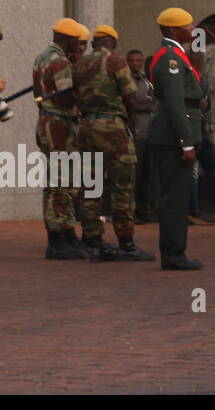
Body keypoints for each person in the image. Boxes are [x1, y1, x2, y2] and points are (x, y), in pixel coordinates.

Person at [73, 26, 154, 261]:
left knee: (91, 187)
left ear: (93, 44)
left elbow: (76, 96)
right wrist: (125, 120)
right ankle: (126, 243)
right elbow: (130, 96)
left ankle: (93, 240)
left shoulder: (80, 65)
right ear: (113, 43)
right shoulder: (116, 62)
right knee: (123, 186)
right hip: (113, 128)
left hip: (86, 128)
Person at [147, 8, 204, 270]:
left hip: (175, 134)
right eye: (187, 26)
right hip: (173, 137)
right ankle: (173, 254)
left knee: (177, 197)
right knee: (175, 199)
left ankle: (175, 252)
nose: (192, 30)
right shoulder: (170, 58)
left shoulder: (177, 55)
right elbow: (174, 103)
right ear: (173, 31)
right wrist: (186, 141)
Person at [34, 19, 90, 260]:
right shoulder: (59, 62)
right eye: (76, 43)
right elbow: (67, 97)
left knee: (55, 183)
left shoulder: (42, 57)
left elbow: (39, 93)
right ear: (68, 40)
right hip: (60, 123)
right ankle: (61, 239)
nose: (78, 47)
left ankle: (60, 235)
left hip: (47, 119)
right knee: (63, 183)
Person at [126, 49, 159, 222]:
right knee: (136, 175)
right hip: (135, 133)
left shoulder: (145, 80)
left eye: (139, 60)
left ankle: (144, 210)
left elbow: (155, 99)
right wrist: (148, 104)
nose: (136, 63)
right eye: (132, 60)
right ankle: (133, 211)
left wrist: (148, 103)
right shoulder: (127, 79)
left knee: (148, 175)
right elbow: (133, 102)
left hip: (149, 133)